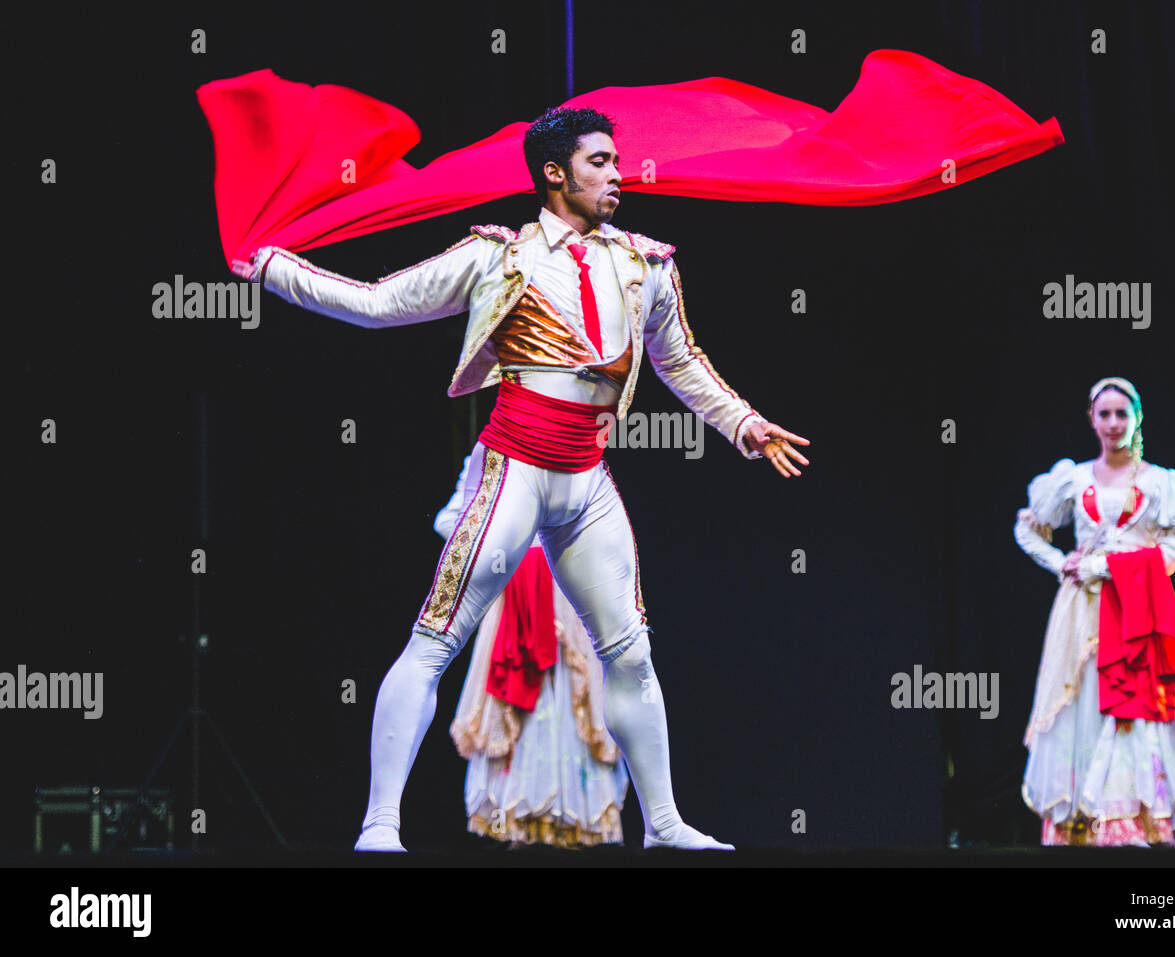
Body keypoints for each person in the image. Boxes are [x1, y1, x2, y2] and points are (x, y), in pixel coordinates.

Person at [235, 107, 810, 851]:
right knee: (435, 641)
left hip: (587, 481)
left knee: (630, 651)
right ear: (554, 173)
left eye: (615, 160)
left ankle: (664, 823)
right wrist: (273, 268)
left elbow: (681, 363)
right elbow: (376, 305)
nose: (617, 174)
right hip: (515, 468)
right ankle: (379, 824)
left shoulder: (644, 264)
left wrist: (743, 423)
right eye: (599, 162)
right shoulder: (498, 258)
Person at [1013, 377, 1175, 846]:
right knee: (1081, 704)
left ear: (1136, 417)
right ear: (1091, 420)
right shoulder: (1072, 479)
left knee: (1133, 707)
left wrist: (1108, 567)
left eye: (1122, 413)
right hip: (1082, 614)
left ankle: (1130, 824)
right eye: (1104, 414)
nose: (1114, 423)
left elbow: (1172, 551)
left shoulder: (1162, 484)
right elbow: (1030, 530)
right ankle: (1081, 824)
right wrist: (1062, 562)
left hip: (1135, 609)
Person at [436, 455, 630, 847]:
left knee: (574, 695)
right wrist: (503, 549)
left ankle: (572, 824)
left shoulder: (578, 445)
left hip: (571, 595)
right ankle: (519, 825)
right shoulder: (491, 452)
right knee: (523, 691)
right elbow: (449, 518)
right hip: (516, 594)